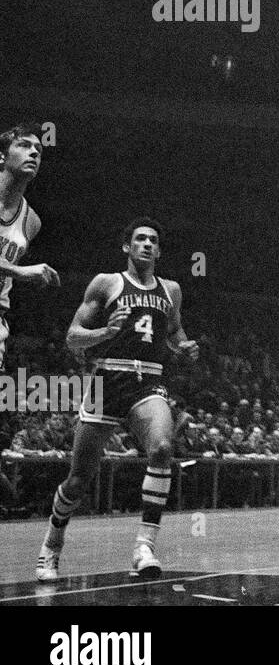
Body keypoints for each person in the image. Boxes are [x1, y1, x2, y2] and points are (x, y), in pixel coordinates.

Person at [36, 218, 201, 581]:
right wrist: (106, 331)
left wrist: (183, 347)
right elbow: (72, 337)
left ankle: (144, 547)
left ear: (159, 250)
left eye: (153, 241)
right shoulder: (107, 283)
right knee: (78, 480)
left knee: (161, 448)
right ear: (127, 247)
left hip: (148, 380)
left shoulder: (171, 290)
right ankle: (52, 542)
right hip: (106, 380)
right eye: (140, 239)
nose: (146, 244)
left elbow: (174, 332)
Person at [0, 123, 60, 374]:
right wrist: (21, 272)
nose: (34, 153)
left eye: (38, 149)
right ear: (2, 155)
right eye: (24, 145)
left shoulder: (32, 221)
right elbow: (16, 272)